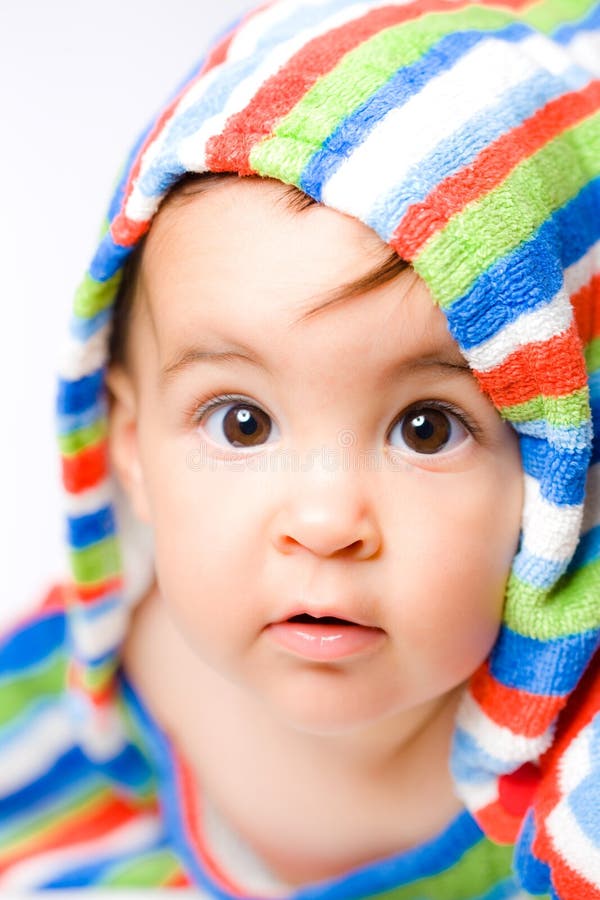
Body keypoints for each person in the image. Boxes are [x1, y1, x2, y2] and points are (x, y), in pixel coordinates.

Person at [1, 0, 599, 895]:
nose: (324, 523)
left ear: (560, 477)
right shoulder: (87, 677)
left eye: (427, 428)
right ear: (131, 448)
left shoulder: (570, 797)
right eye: (241, 422)